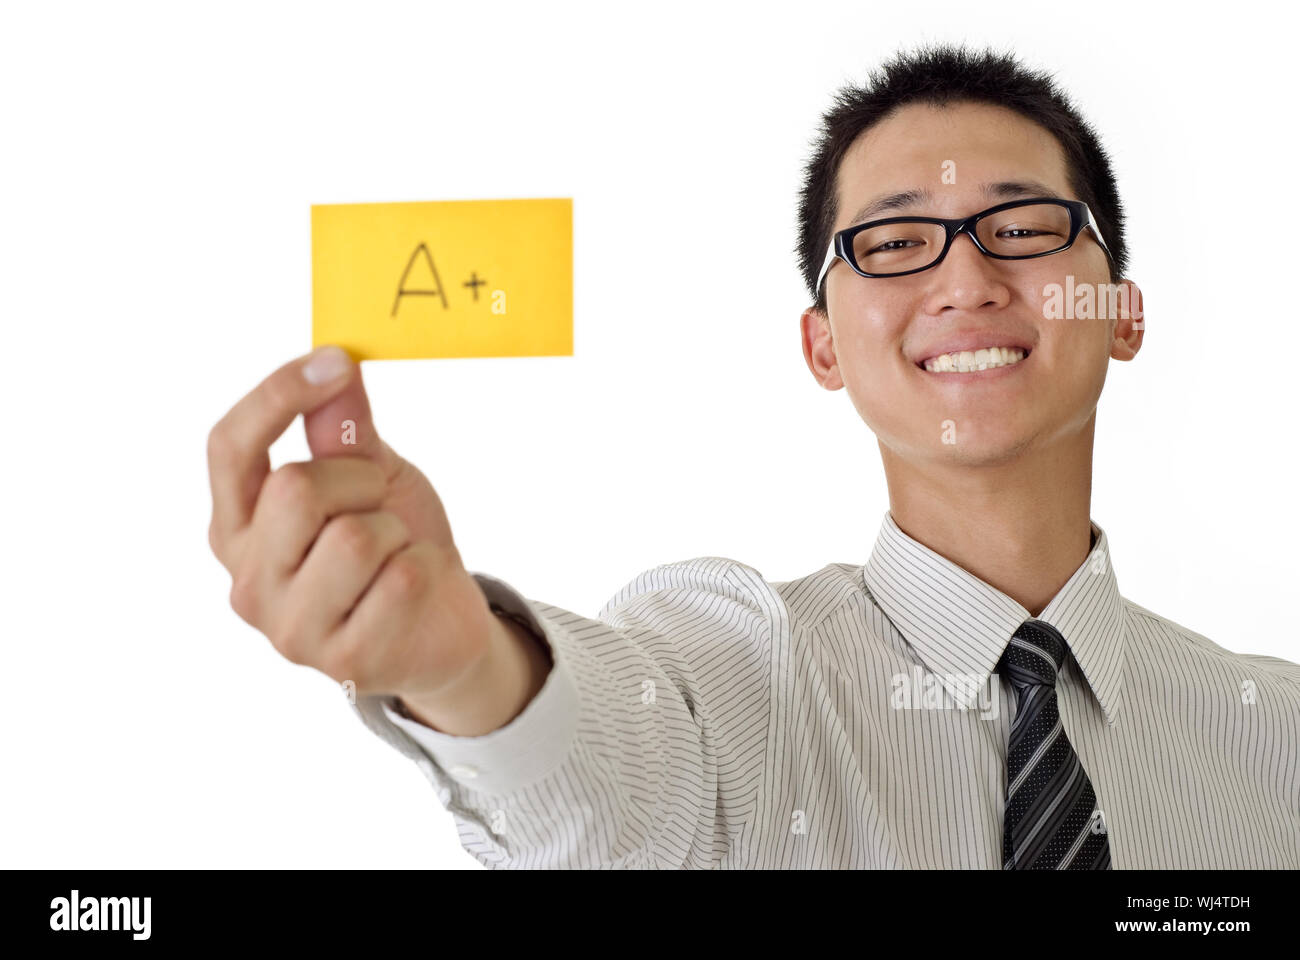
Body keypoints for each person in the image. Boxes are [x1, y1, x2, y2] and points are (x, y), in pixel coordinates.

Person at [206, 42, 1300, 869]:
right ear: (822, 345)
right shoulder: (734, 673)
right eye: (894, 241)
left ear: (1121, 310)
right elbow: (605, 778)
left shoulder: (1276, 740)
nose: (965, 282)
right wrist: (464, 670)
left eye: (1021, 229)